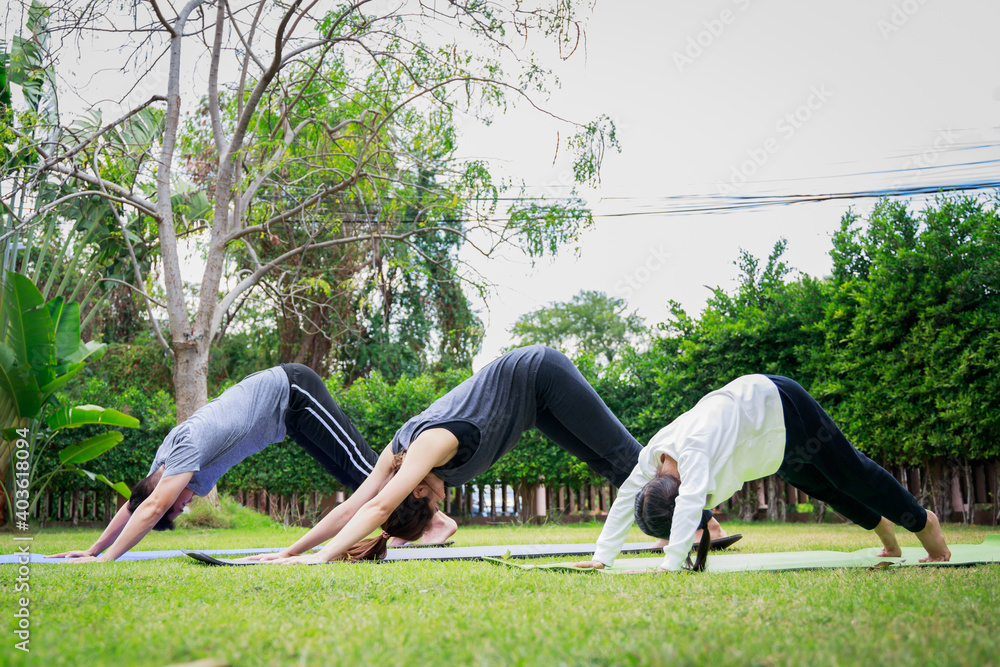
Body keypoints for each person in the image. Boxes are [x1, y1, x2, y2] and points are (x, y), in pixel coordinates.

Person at [258, 345, 693, 564]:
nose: (442, 502)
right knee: (600, 460)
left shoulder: (428, 447)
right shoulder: (393, 458)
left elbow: (377, 505)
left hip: (539, 372)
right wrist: (289, 553)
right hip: (532, 405)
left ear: (415, 493)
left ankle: (696, 518)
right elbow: (350, 507)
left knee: (620, 451)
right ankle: (680, 523)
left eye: (431, 506)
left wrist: (320, 561)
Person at [48, 364, 456, 562]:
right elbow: (139, 505)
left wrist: (106, 561)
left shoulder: (184, 450)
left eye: (179, 503)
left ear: (163, 489)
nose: (186, 501)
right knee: (358, 476)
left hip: (295, 393)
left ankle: (435, 521)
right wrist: (92, 547)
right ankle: (422, 521)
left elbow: (151, 505)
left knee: (372, 470)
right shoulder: (163, 465)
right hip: (288, 419)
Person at [574, 374, 951, 573]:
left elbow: (690, 504)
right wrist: (602, 556)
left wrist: (671, 563)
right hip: (767, 442)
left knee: (849, 474)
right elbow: (626, 496)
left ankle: (923, 523)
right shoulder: (653, 460)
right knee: (819, 485)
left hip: (781, 404)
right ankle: (881, 525)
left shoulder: (694, 453)